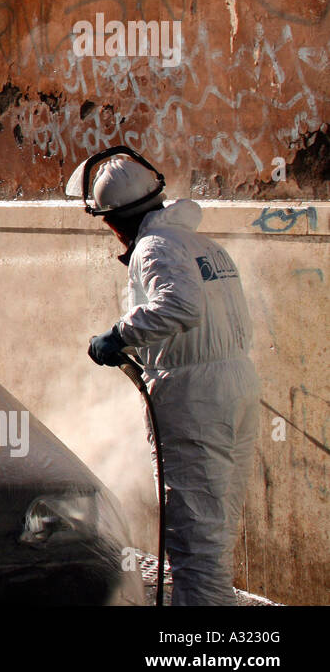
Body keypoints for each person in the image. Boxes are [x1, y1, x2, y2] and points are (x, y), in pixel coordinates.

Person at [68, 147, 262, 605]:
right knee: (215, 537)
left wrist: (120, 334)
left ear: (114, 221)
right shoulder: (203, 246)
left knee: (195, 545)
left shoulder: (156, 247)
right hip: (235, 387)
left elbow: (180, 307)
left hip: (195, 399)